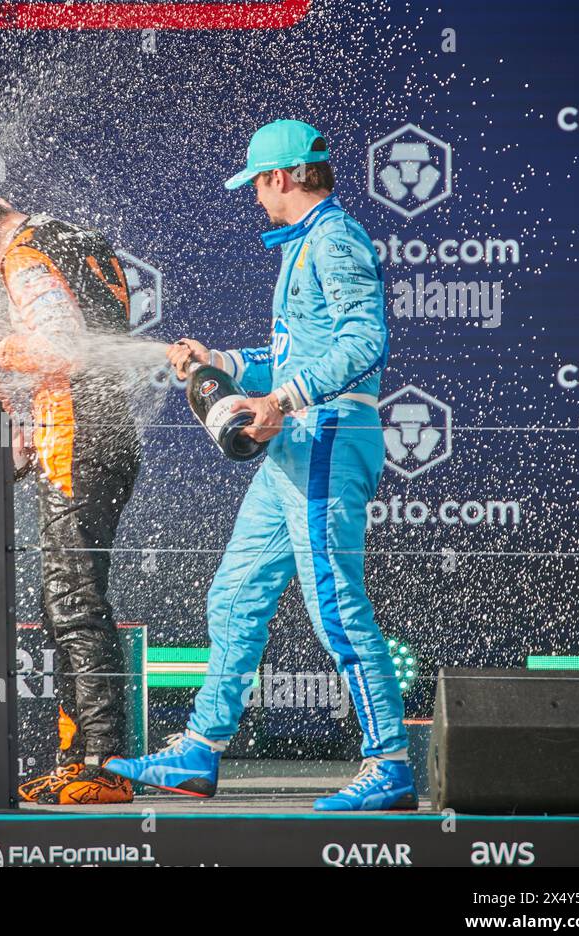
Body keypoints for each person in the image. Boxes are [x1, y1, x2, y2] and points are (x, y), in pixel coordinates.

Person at [106, 121, 417, 811]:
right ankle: (199, 753)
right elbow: (296, 356)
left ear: (280, 177)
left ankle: (390, 763)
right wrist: (224, 363)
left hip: (328, 436)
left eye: (255, 183)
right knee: (236, 595)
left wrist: (281, 398)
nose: (252, 196)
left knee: (335, 606)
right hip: (296, 442)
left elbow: (367, 341)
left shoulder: (334, 239)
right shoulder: (304, 245)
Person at [0, 197, 141, 805]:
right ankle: (78, 758)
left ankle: (105, 766)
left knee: (73, 602)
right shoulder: (75, 237)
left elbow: (63, 348)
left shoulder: (24, 255)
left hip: (80, 439)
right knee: (67, 602)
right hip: (98, 430)